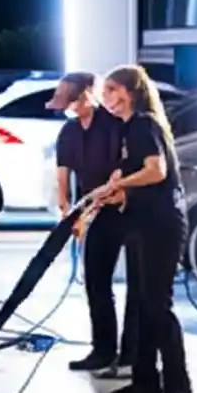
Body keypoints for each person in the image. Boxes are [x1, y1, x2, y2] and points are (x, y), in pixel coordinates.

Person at [90, 65, 194, 393]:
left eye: (113, 91)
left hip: (160, 226)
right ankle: (145, 381)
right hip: (146, 224)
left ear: (132, 91)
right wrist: (116, 190)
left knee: (157, 306)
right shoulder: (132, 129)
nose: (108, 100)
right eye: (104, 93)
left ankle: (179, 386)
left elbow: (156, 171)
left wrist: (119, 184)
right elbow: (141, 175)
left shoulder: (142, 125)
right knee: (144, 304)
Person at [47, 72, 137, 373]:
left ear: (89, 93)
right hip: (91, 207)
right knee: (97, 282)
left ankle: (133, 352)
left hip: (123, 206)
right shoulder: (69, 132)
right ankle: (103, 348)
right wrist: (65, 204)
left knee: (139, 286)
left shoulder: (113, 126)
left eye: (74, 101)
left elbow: (126, 165)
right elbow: (63, 170)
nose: (70, 109)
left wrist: (117, 189)